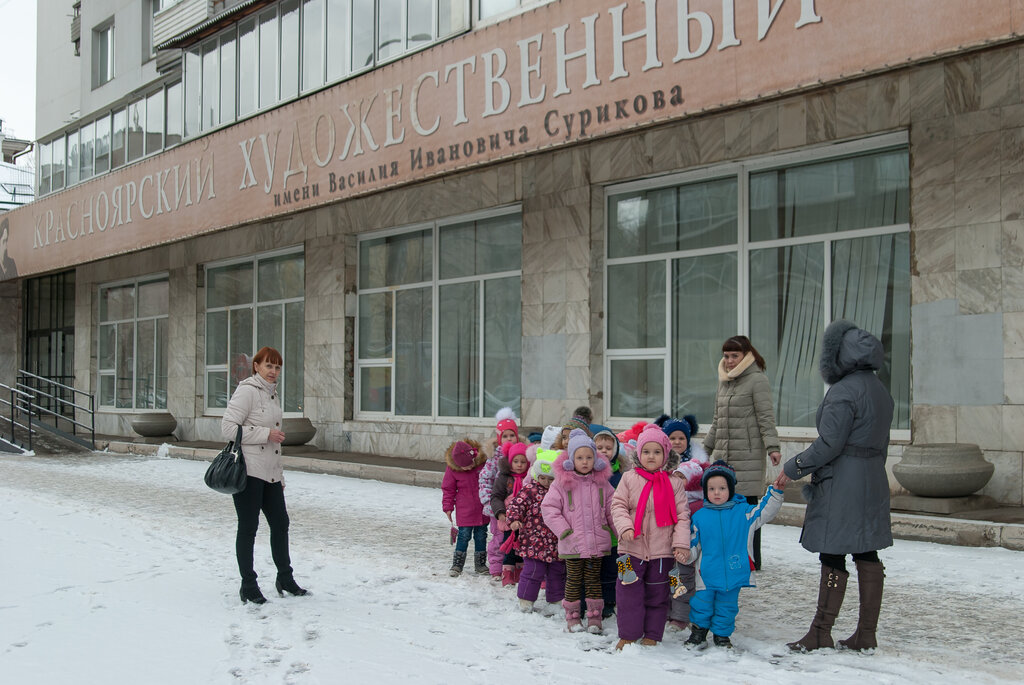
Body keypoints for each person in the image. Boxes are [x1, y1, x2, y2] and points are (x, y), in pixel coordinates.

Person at [774, 320, 894, 654]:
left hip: (842, 481)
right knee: (867, 551)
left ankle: (820, 631)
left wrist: (793, 467)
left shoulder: (842, 392)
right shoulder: (879, 389)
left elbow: (829, 445)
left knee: (832, 551)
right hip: (872, 478)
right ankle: (866, 634)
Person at [221, 346, 306, 604]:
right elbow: (227, 428)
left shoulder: (272, 395)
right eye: (269, 366)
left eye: (277, 367)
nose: (273, 371)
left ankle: (285, 578)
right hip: (248, 472)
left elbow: (275, 444)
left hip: (270, 474)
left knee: (281, 524)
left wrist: (279, 478)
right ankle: (248, 584)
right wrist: (264, 434)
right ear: (256, 366)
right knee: (248, 528)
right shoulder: (247, 391)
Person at [684, 461, 783, 649]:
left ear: (730, 488)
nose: (717, 493)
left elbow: (765, 512)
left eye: (722, 488)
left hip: (733, 572)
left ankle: (722, 635)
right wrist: (686, 555)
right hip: (707, 573)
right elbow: (694, 543)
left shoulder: (743, 513)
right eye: (711, 488)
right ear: (705, 491)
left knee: (727, 606)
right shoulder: (700, 516)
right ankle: (698, 632)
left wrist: (775, 493)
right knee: (701, 604)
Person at [703, 335, 782, 570]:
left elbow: (765, 417)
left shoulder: (757, 380)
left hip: (747, 455)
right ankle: (728, 556)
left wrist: (773, 447)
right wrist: (703, 449)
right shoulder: (724, 381)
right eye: (726, 356)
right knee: (723, 506)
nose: (729, 361)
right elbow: (717, 420)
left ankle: (752, 560)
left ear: (746, 356)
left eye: (734, 356)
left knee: (747, 509)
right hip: (724, 457)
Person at [610, 425, 690, 649]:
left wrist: (681, 543)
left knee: (658, 594)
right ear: (639, 454)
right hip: (629, 548)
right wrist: (624, 526)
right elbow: (618, 506)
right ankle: (628, 634)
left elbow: (683, 516)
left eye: (657, 452)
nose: (651, 456)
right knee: (628, 594)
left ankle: (652, 635)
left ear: (666, 455)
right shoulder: (628, 478)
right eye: (646, 451)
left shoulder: (674, 483)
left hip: (662, 552)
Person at [541, 429, 615, 634]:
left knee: (593, 579)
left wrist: (616, 532)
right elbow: (549, 509)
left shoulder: (603, 484)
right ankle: (573, 616)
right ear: (570, 459)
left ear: (596, 460)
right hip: (572, 542)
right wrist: (563, 531)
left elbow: (612, 509)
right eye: (579, 457)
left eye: (589, 457)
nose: (584, 462)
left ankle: (594, 617)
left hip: (597, 543)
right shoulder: (561, 484)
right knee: (573, 579)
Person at [657, 414, 709, 631]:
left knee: (682, 571)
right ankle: (662, 610)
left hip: (686, 528)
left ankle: (680, 614)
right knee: (661, 572)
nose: (677, 442)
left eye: (682, 438)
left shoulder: (697, 467)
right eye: (672, 438)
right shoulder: (656, 464)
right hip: (660, 528)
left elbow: (700, 496)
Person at [506, 448, 566, 614]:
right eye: (542, 478)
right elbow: (516, 504)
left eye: (550, 479)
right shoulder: (530, 490)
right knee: (533, 570)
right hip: (533, 540)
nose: (546, 482)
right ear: (536, 475)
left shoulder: (560, 492)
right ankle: (526, 598)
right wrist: (515, 519)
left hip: (555, 541)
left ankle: (555, 598)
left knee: (557, 571)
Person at [591, 424, 628, 619]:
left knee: (615, 568)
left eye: (608, 447)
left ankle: (613, 599)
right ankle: (598, 600)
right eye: (600, 447)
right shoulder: (588, 472)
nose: (604, 451)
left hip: (616, 532)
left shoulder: (621, 475)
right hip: (596, 530)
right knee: (598, 568)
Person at [479, 407, 520, 580]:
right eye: (505, 436)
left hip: (517, 506)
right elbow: (484, 480)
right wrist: (489, 503)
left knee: (517, 536)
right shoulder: (494, 458)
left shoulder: (520, 454)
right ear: (499, 438)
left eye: (512, 435)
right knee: (498, 537)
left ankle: (515, 567)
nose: (508, 439)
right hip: (498, 506)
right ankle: (496, 567)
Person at [443, 439, 489, 576]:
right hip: (465, 510)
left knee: (481, 536)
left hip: (482, 510)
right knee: (463, 536)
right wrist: (448, 506)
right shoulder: (452, 470)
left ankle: (480, 564)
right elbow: (448, 489)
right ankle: (457, 564)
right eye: (465, 467)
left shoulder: (482, 464)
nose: (469, 468)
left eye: (471, 464)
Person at [490, 442, 531, 586]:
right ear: (510, 462)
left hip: (526, 521)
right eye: (516, 461)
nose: (519, 465)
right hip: (508, 520)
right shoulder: (504, 478)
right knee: (509, 547)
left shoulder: (530, 478)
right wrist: (500, 512)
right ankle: (507, 573)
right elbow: (496, 496)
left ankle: (520, 572)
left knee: (523, 547)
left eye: (523, 461)